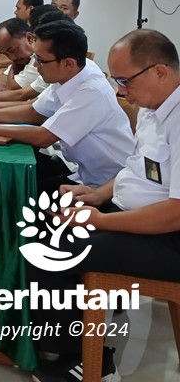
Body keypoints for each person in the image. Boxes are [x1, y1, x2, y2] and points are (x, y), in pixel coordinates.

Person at [26, 29, 180, 382]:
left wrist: (99, 221)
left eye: (126, 80)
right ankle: (57, 338)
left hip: (169, 237)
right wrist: (96, 196)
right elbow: (137, 171)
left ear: (159, 72)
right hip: (133, 215)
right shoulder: (153, 109)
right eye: (117, 80)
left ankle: (91, 360)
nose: (121, 91)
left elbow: (175, 211)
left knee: (57, 247)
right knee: (44, 220)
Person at [0, 20, 134, 191]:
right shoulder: (70, 72)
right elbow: (33, 112)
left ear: (68, 63)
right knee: (6, 177)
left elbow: (44, 137)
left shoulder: (91, 91)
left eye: (41, 60)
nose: (36, 66)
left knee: (17, 191)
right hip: (82, 171)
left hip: (106, 184)